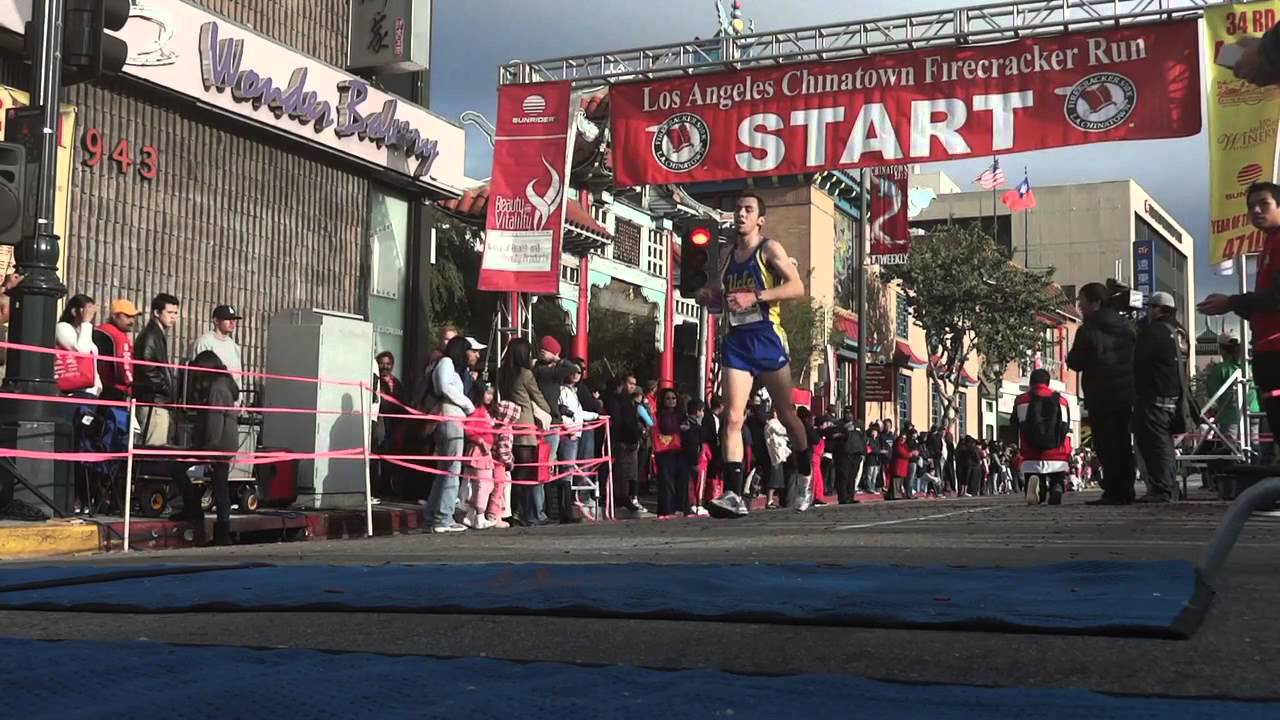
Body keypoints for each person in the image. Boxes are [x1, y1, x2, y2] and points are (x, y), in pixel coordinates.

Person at [698, 194, 813, 518]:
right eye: (737, 209)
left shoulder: (769, 249)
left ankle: (804, 474)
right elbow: (725, 297)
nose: (741, 214)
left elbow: (796, 287)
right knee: (733, 417)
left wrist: (756, 296)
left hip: (766, 338)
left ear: (760, 219)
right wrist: (711, 296)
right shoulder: (726, 255)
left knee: (786, 413)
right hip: (736, 341)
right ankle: (735, 494)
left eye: (748, 210)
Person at [1200, 182, 1280, 455]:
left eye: (1263, 204)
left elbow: (1276, 297)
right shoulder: (1268, 243)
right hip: (1266, 348)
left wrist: (1231, 302)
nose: (1255, 211)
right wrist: (1234, 305)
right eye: (1250, 206)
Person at [1067, 282, 1137, 505]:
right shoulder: (1127, 327)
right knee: (1123, 441)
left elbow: (1076, 362)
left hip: (1100, 392)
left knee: (1106, 443)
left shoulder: (1088, 330)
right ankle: (1126, 488)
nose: (1080, 306)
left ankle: (1113, 490)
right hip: (1126, 391)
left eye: (1082, 301)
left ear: (1095, 302)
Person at [168, 350, 239, 546]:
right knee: (219, 484)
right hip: (220, 443)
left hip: (217, 445)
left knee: (217, 484)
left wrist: (208, 451)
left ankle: (214, 525)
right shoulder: (223, 384)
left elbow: (215, 422)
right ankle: (210, 521)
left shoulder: (217, 388)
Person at [1133, 291, 1193, 502]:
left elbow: (1138, 361)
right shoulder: (1181, 332)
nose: (1148, 312)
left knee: (1155, 445)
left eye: (1150, 308)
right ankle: (1170, 486)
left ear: (1158, 308)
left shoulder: (1154, 331)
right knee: (1164, 443)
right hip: (1176, 396)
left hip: (1155, 395)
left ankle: (1162, 488)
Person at [424, 335, 476, 533]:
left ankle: (433, 516)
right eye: (469, 350)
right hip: (450, 418)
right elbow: (444, 387)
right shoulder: (446, 363)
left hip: (450, 418)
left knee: (445, 470)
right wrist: (468, 405)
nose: (472, 354)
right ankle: (443, 517)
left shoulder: (449, 366)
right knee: (452, 469)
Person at [499, 337, 553, 526]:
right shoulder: (525, 374)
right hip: (525, 427)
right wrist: (550, 411)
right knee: (524, 471)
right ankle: (519, 511)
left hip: (508, 423)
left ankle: (509, 510)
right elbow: (538, 398)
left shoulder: (502, 372)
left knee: (510, 471)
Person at [1011, 368, 1073, 506]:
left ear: (1031, 382)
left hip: (1031, 453)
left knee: (1032, 474)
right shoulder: (1062, 401)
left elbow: (1014, 423)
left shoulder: (1021, 400)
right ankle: (1056, 487)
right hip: (1057, 453)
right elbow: (1065, 426)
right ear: (1048, 382)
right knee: (1057, 476)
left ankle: (1036, 491)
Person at [134, 293, 180, 447]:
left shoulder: (155, 334)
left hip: (155, 400)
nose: (173, 317)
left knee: (152, 446)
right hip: (153, 401)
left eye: (175, 313)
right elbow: (147, 367)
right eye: (169, 312)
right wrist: (165, 388)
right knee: (153, 447)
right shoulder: (151, 335)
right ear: (156, 312)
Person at [556, 362, 598, 523]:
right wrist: (569, 429)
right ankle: (564, 510)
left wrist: (596, 416)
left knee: (570, 470)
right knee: (566, 471)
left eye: (579, 372)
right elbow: (562, 413)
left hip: (575, 433)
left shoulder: (573, 392)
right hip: (569, 435)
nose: (575, 374)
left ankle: (568, 508)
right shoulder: (562, 391)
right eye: (572, 372)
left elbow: (578, 413)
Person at [603, 374, 646, 516]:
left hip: (631, 438)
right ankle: (621, 497)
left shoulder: (629, 401)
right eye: (629, 383)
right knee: (622, 470)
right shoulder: (616, 400)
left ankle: (629, 496)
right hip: (622, 439)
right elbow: (619, 421)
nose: (632, 387)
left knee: (631, 471)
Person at [54, 294, 102, 399]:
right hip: (74, 389)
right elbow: (82, 351)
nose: (91, 315)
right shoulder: (62, 327)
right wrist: (86, 322)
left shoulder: (85, 331)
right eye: (87, 310)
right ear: (75, 311)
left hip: (91, 389)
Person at [93, 299, 141, 402]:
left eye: (133, 317)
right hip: (115, 390)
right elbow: (124, 364)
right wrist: (130, 384)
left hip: (95, 386)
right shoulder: (118, 336)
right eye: (127, 317)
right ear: (115, 316)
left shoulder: (98, 330)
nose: (132, 321)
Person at [652, 388, 690, 518]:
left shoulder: (682, 413)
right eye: (668, 398)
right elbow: (667, 428)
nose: (671, 401)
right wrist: (680, 428)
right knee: (666, 482)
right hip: (664, 452)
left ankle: (681, 508)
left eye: (673, 398)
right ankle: (666, 509)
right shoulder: (660, 414)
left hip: (680, 451)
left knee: (682, 480)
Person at [192, 305, 244, 381]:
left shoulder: (234, 347)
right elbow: (196, 374)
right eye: (227, 319)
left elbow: (238, 377)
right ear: (216, 321)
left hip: (231, 392)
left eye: (234, 319)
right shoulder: (204, 343)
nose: (232, 322)